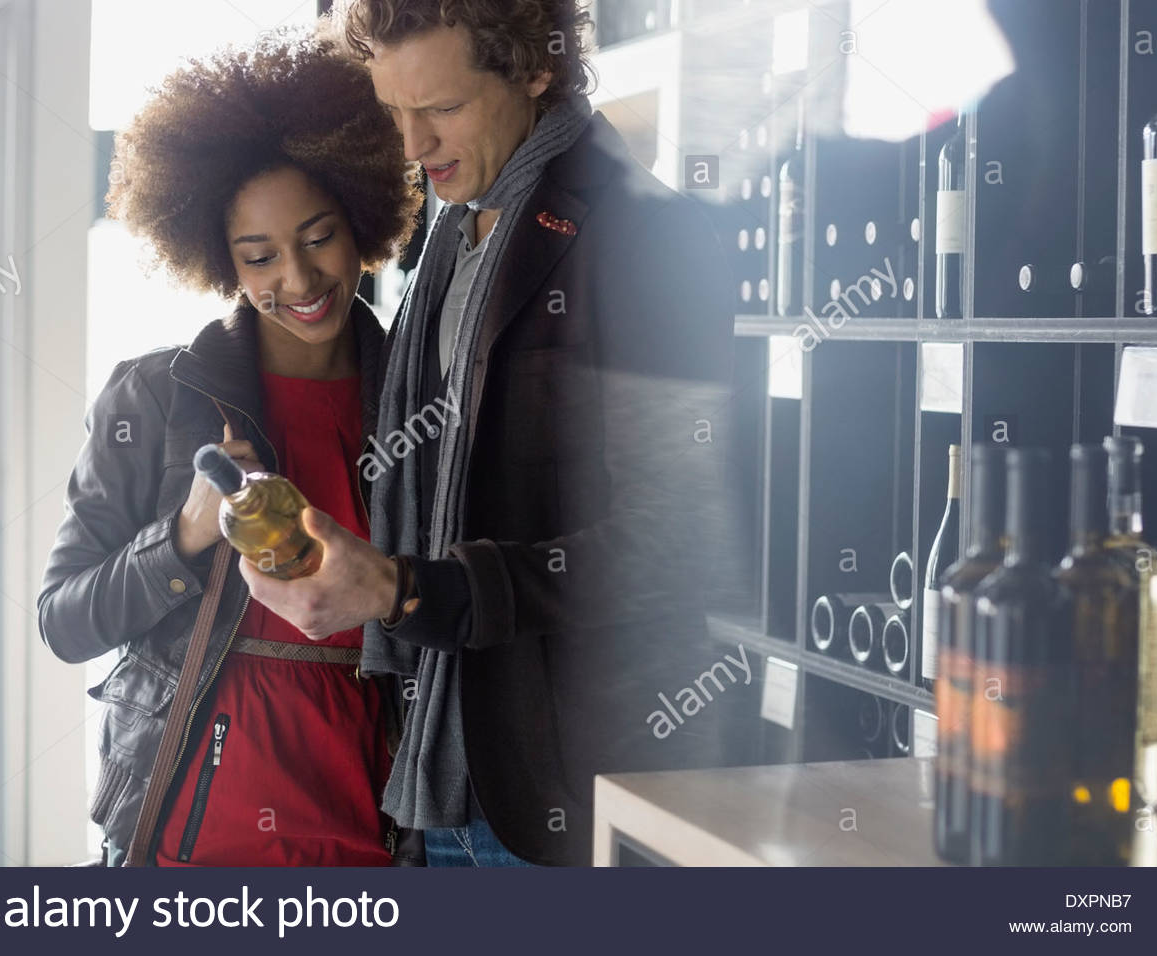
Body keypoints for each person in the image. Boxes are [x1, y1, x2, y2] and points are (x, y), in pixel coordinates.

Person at [242, 0, 736, 866]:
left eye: (440, 109)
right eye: (393, 112)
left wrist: (407, 592)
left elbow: (677, 541)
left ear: (536, 68)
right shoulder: (453, 235)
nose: (411, 145)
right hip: (444, 780)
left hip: (571, 795)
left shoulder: (648, 237)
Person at [36, 29, 420, 866]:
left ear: (362, 224)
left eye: (319, 237)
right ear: (224, 263)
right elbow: (63, 621)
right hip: (190, 834)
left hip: (372, 828)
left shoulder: (423, 401)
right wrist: (182, 539)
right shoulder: (152, 396)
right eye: (260, 256)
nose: (300, 278)